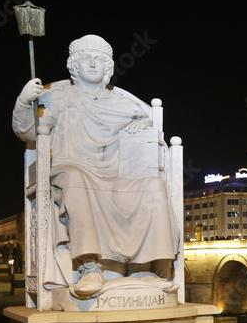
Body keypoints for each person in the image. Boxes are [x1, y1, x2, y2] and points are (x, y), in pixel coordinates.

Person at [12, 35, 179, 297]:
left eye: (99, 59)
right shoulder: (57, 98)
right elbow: (29, 132)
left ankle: (144, 267)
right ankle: (89, 268)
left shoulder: (124, 104)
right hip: (72, 170)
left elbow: (146, 123)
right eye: (85, 58)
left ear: (108, 69)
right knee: (77, 179)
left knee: (154, 185)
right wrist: (24, 102)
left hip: (116, 176)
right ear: (74, 66)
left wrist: (144, 125)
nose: (92, 63)